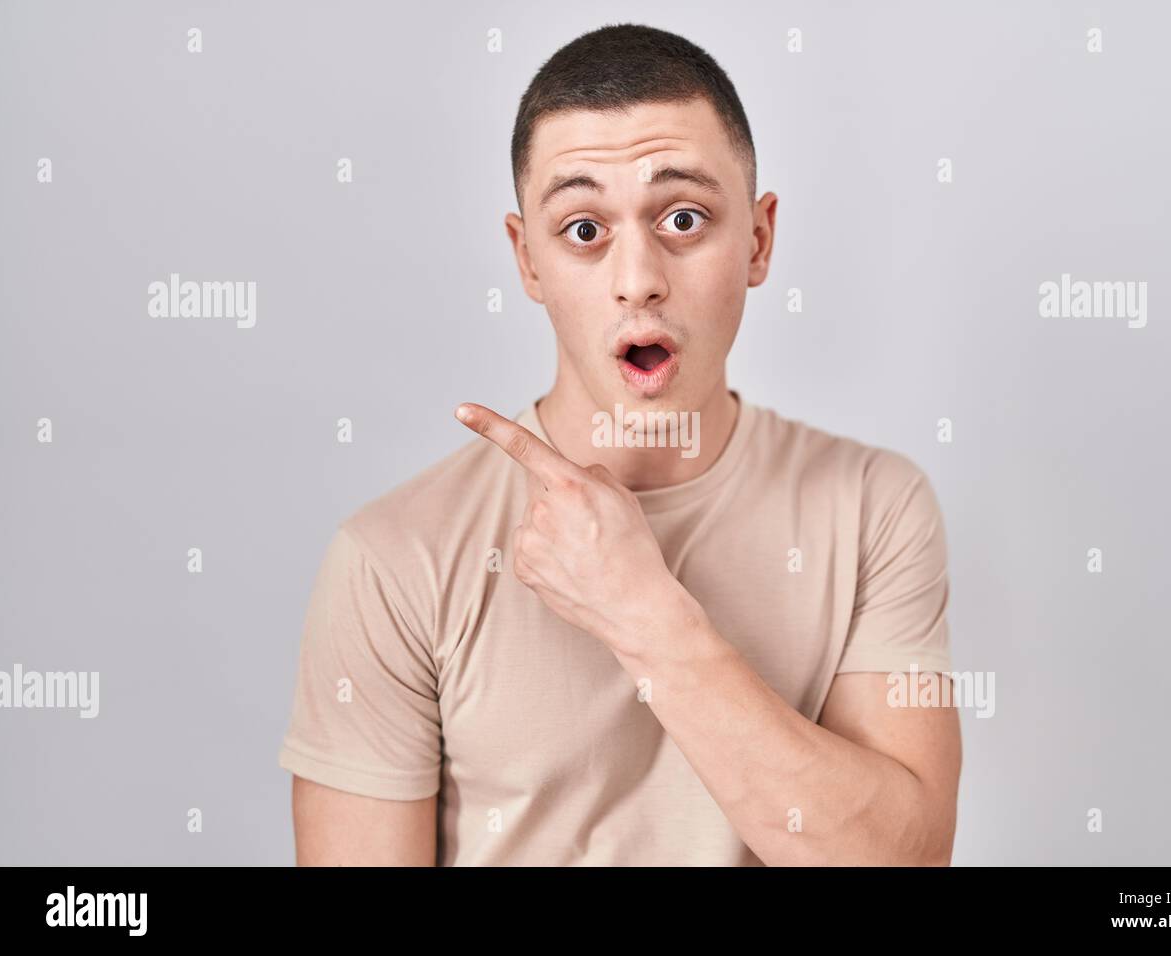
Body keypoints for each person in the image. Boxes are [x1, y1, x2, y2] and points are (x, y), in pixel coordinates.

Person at [278, 22, 961, 866]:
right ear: (527, 260)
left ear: (757, 239)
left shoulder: (874, 507)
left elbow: (902, 860)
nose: (637, 279)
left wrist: (645, 613)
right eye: (584, 230)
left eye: (683, 217)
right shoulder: (394, 557)